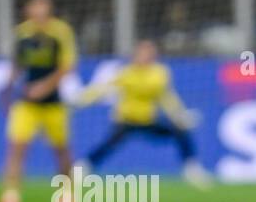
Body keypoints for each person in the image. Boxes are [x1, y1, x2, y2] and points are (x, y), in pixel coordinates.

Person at [76, 39, 210, 187]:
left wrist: (179, 114)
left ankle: (191, 168)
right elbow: (103, 89)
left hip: (148, 120)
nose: (145, 57)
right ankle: (84, 167)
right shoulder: (127, 73)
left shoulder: (159, 73)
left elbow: (166, 97)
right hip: (126, 120)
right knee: (108, 145)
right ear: (136, 55)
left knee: (181, 131)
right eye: (142, 53)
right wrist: (82, 99)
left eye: (149, 53)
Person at [0, 0, 77, 202]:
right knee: (16, 147)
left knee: (62, 151)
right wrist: (8, 87)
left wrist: (44, 86)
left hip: (53, 102)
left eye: (43, 12)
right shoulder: (22, 33)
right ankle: (10, 198)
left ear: (50, 13)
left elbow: (67, 67)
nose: (39, 16)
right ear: (29, 13)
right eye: (35, 11)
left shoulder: (61, 33)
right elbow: (17, 65)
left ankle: (66, 199)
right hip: (27, 102)